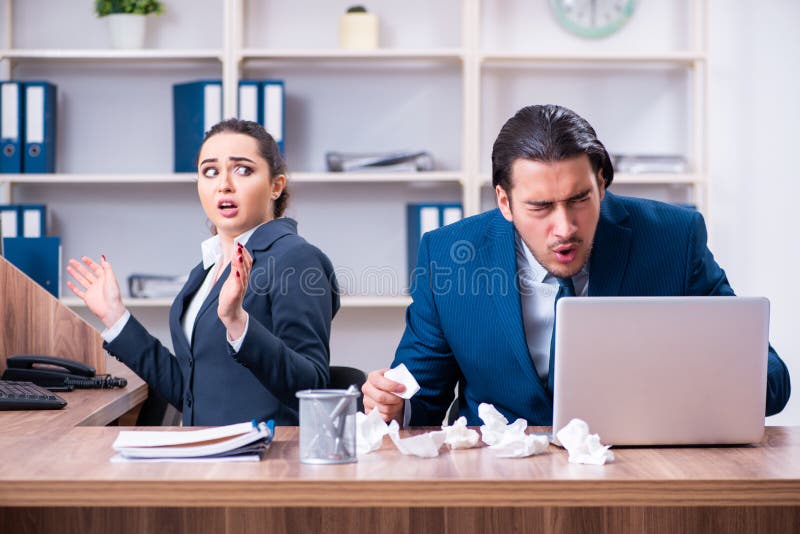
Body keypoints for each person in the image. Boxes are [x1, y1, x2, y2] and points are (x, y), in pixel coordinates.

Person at [363, 104, 791, 426]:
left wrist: (689, 372)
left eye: (579, 199)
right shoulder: (448, 256)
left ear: (601, 183)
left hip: (638, 469)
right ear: (505, 202)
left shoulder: (674, 239)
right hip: (498, 476)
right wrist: (393, 403)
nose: (564, 227)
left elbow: (771, 383)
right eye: (540, 207)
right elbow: (422, 398)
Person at [66, 118, 339, 426]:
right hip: (205, 448)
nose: (224, 184)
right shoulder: (206, 270)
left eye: (243, 170)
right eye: (210, 171)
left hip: (264, 450)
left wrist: (238, 323)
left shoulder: (296, 259)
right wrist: (116, 317)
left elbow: (312, 387)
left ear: (276, 186)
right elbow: (190, 393)